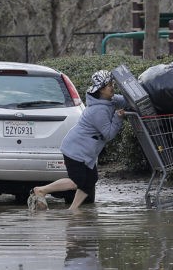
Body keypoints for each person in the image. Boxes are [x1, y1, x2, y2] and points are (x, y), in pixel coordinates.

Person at [29, 70, 127, 211]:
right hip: (75, 150)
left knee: (90, 181)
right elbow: (108, 134)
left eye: (112, 84)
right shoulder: (98, 110)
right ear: (100, 90)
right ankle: (41, 190)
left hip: (86, 152)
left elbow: (125, 101)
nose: (111, 87)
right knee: (76, 182)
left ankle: (73, 210)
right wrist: (118, 118)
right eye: (107, 86)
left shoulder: (109, 100)